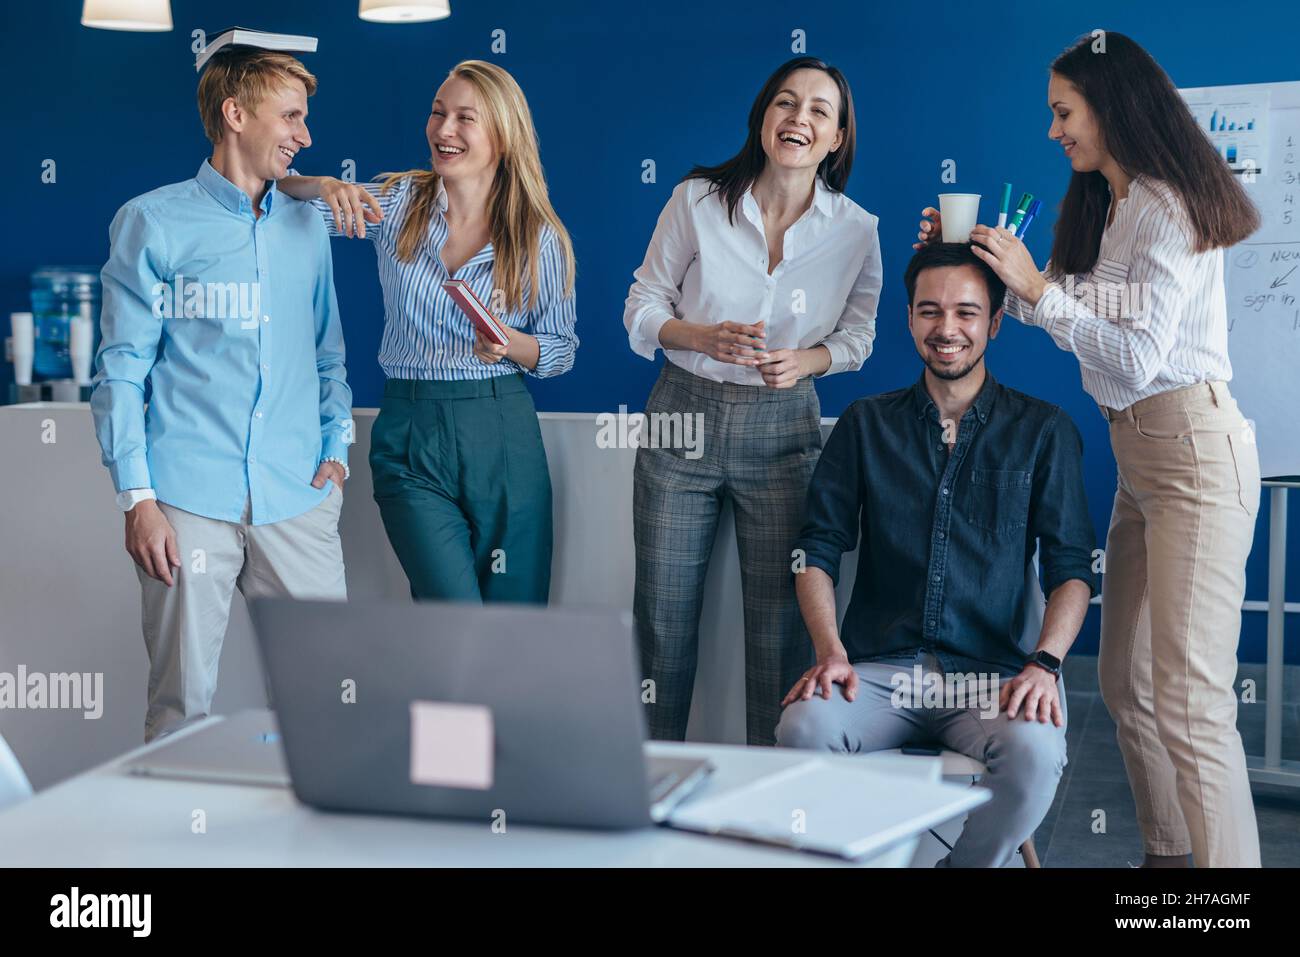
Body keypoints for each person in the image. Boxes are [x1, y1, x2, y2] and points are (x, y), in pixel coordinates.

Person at [918, 31, 1264, 868]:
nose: (1053, 131)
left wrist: (1039, 289)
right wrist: (1001, 272)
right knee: (1126, 685)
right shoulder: (1121, 204)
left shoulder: (1169, 204)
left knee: (1190, 698)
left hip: (1190, 452)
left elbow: (1135, 355)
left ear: (1111, 106)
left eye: (1063, 112)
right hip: (1145, 457)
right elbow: (1095, 319)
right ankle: (1172, 862)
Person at [776, 242, 1096, 867]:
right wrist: (829, 653)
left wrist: (1045, 664)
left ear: (995, 323)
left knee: (1033, 753)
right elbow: (815, 549)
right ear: (909, 319)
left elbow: (1071, 569)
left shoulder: (1043, 431)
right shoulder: (867, 425)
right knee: (801, 730)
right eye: (930, 311)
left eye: (966, 313)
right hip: (876, 671)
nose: (946, 330)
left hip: (992, 677)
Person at [91, 48, 352, 742]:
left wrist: (337, 452)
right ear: (235, 115)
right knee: (181, 707)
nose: (305, 135)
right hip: (185, 503)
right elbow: (121, 369)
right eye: (291, 116)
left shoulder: (308, 223)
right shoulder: (152, 222)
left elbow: (327, 351)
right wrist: (138, 501)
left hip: (298, 496)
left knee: (330, 703)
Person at [623, 56, 883, 747]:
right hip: (682, 413)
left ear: (837, 137)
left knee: (779, 629)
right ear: (763, 117)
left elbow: (860, 337)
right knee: (662, 618)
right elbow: (642, 307)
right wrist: (699, 334)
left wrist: (809, 360)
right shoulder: (696, 200)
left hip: (783, 428)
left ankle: (771, 809)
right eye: (785, 103)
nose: (798, 118)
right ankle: (651, 788)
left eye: (818, 111)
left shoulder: (857, 229)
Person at [278, 60, 577, 604]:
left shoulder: (538, 236)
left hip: (503, 431)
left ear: (503, 136)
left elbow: (560, 350)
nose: (443, 130)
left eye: (465, 118)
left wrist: (511, 343)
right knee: (449, 617)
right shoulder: (397, 205)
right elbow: (276, 206)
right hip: (410, 432)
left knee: (514, 623)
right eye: (438, 113)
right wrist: (321, 183)